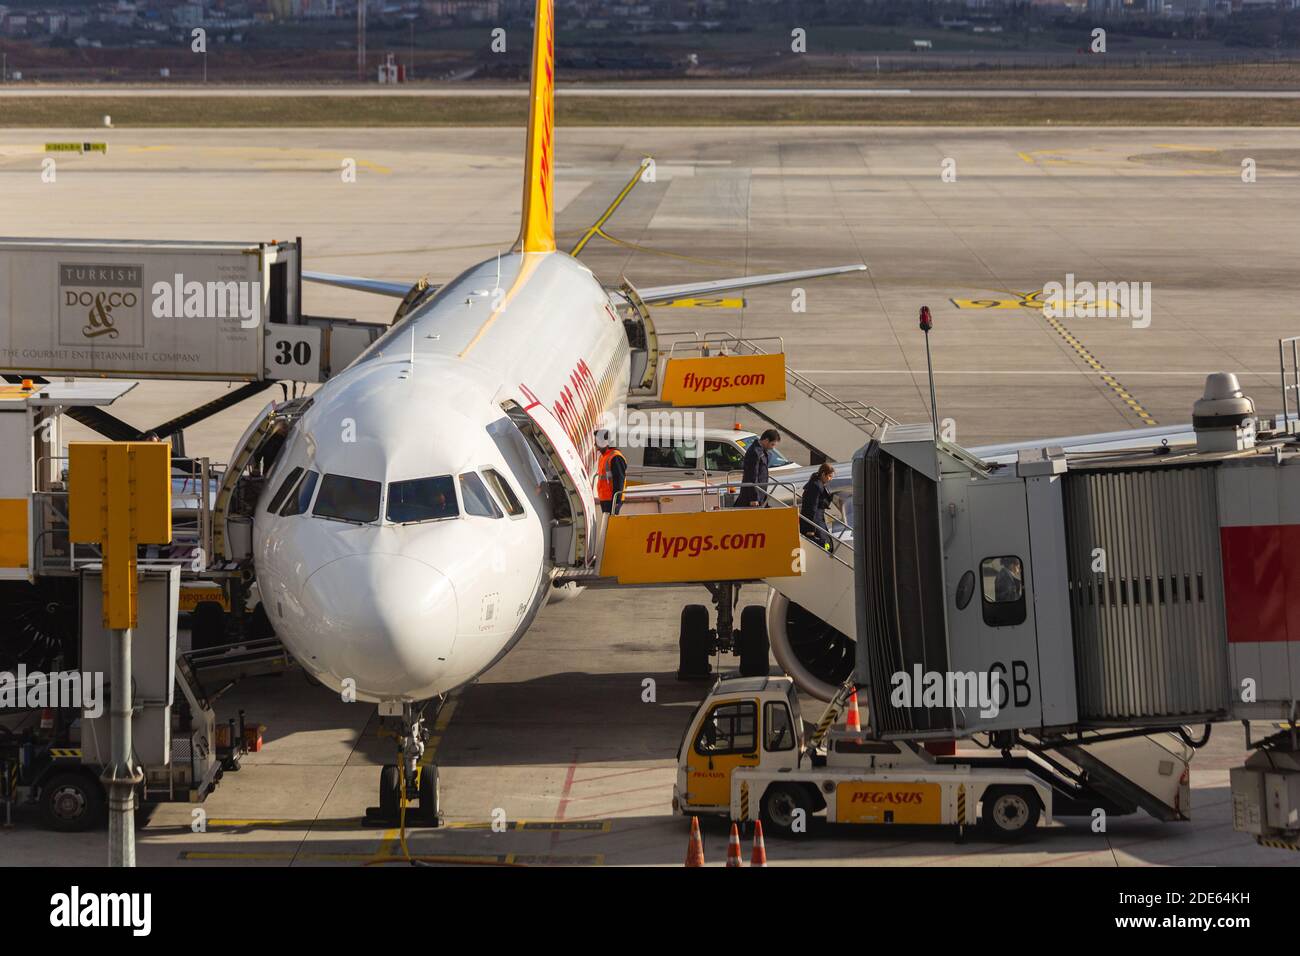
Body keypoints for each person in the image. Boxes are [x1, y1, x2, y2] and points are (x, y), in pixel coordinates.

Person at [734, 428, 780, 507]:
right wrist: (754, 498)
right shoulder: (755, 452)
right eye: (772, 444)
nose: (773, 448)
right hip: (753, 496)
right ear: (766, 440)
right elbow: (752, 476)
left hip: (761, 493)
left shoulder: (762, 451)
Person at [800, 462, 835, 551]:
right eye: (829, 476)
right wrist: (810, 528)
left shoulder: (817, 484)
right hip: (814, 521)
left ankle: (827, 555)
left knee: (828, 543)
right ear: (823, 474)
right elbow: (811, 507)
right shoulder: (815, 486)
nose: (830, 479)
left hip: (818, 520)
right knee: (827, 544)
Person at [594, 428, 626, 514]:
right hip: (605, 498)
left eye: (597, 442)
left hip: (612, 500)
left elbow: (619, 480)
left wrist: (616, 501)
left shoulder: (615, 457)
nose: (595, 444)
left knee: (611, 524)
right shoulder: (603, 456)